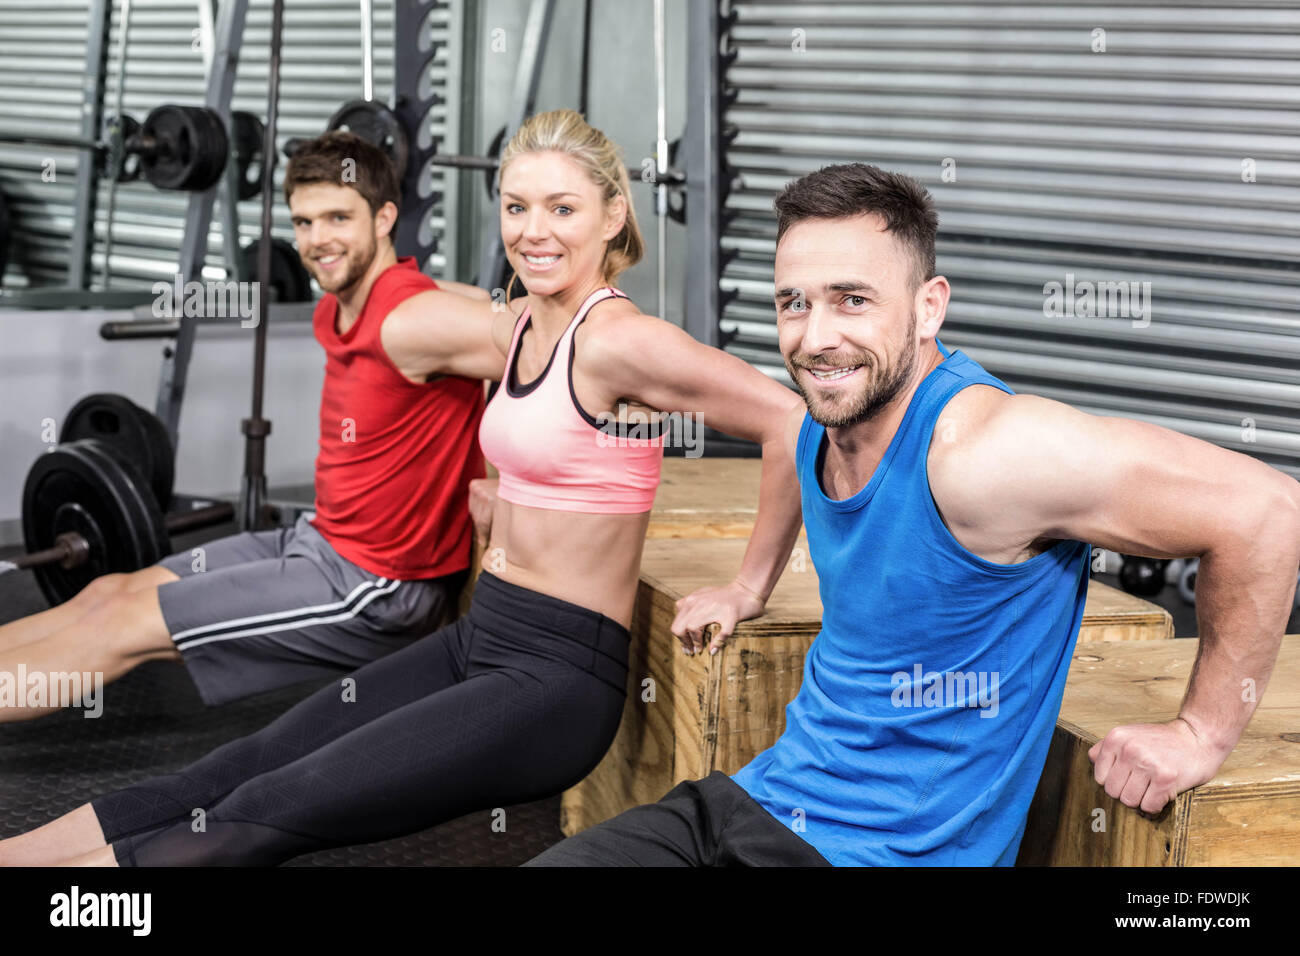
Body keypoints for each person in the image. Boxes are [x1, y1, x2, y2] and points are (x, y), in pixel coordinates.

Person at [0, 108, 805, 866]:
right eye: (517, 206)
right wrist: (503, 485)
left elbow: (788, 419)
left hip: (553, 678)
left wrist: (746, 587)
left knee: (267, 809)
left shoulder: (622, 341)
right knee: (232, 771)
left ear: (613, 214)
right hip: (480, 636)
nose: (534, 230)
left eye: (562, 208)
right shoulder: (522, 322)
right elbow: (458, 331)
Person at [523, 162, 1300, 867]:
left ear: (929, 308)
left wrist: (1201, 733)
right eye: (794, 303)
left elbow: (1265, 508)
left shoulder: (985, 453)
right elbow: (792, 448)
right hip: (751, 804)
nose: (816, 337)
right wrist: (748, 587)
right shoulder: (817, 419)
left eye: (853, 300)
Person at [0, 132, 496, 723]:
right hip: (318, 539)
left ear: (385, 217)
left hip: (375, 587)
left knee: (120, 625)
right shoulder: (348, 301)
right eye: (305, 222)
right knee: (109, 592)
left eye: (339, 218)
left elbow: (558, 344)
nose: (317, 241)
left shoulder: (415, 318)